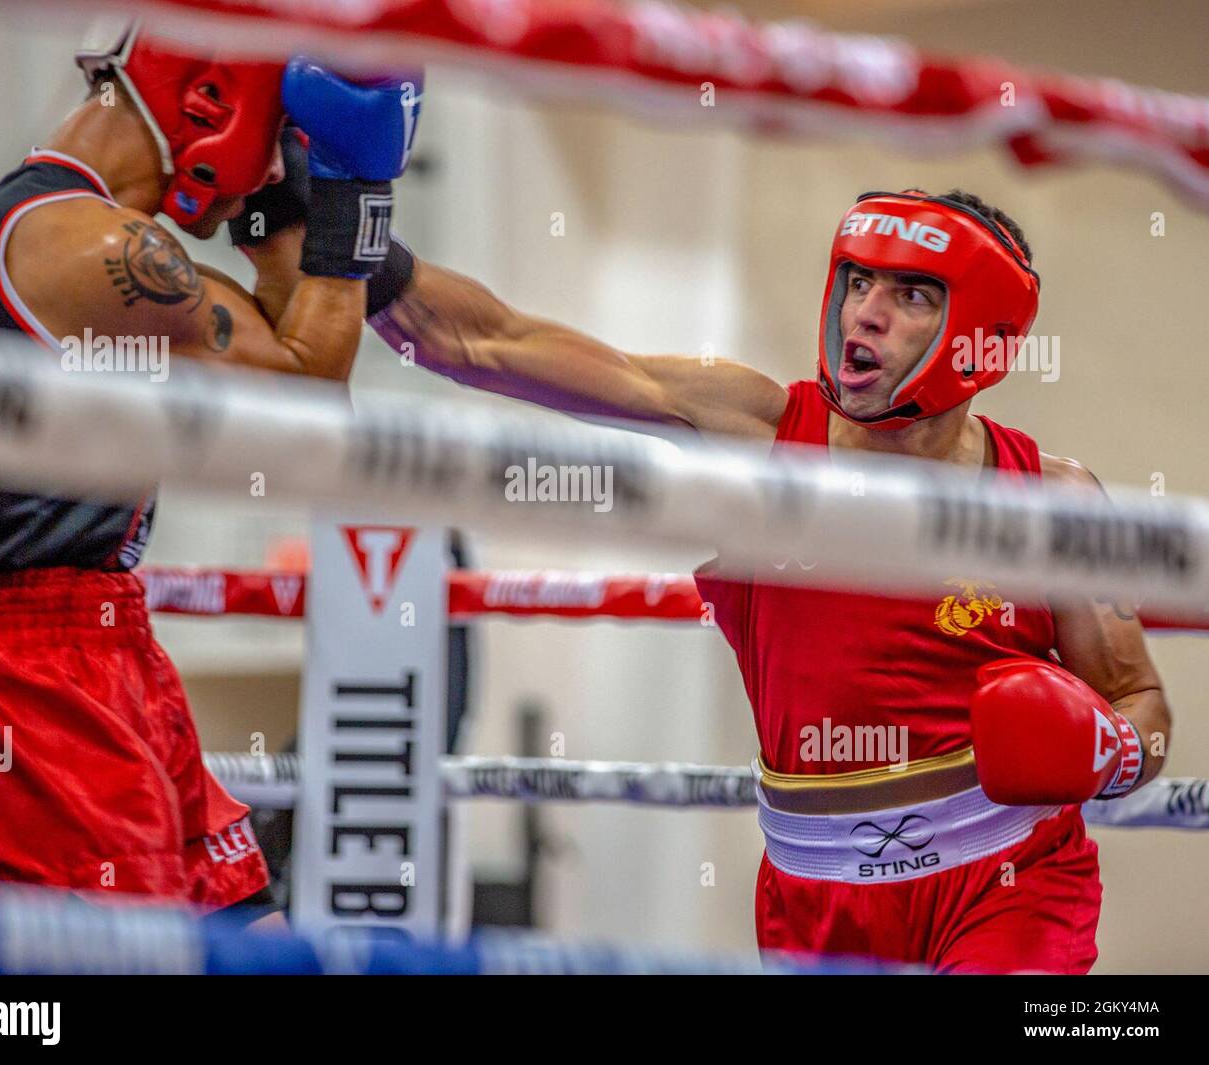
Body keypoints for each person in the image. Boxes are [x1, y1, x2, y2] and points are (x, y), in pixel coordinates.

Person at [308, 185, 1164, 972]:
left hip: (1008, 883)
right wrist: (345, 215)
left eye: (909, 295)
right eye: (858, 281)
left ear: (981, 332)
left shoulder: (1051, 496)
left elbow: (1141, 705)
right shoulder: (756, 432)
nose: (865, 312)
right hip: (815, 895)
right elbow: (482, 339)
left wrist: (1108, 751)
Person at [0, 21, 418, 925]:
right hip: (16, 680)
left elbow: (285, 357)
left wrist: (283, 217)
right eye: (275, 143)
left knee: (249, 936)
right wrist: (353, 194)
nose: (269, 173)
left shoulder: (91, 232)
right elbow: (303, 415)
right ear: (210, 104)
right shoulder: (86, 249)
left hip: (94, 640)